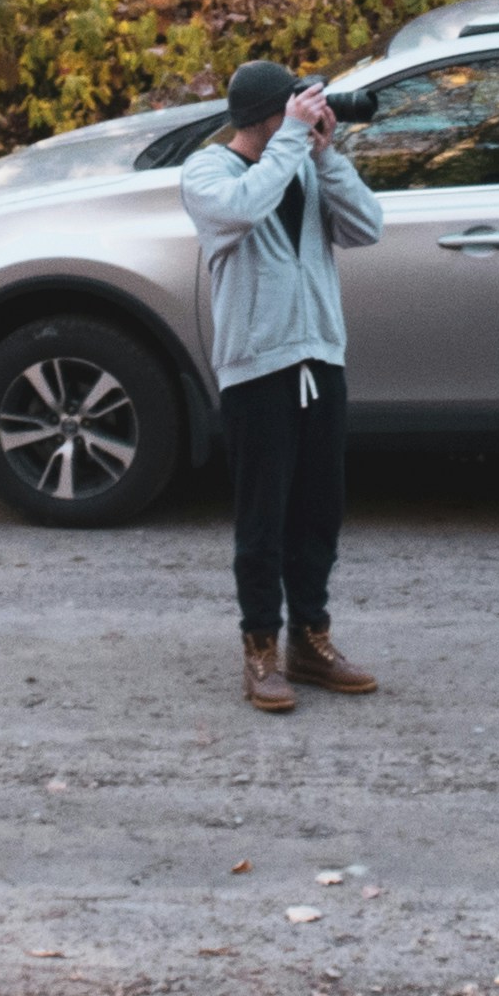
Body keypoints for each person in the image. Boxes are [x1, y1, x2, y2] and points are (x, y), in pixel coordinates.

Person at [182, 56, 388, 712]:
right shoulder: (207, 170)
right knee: (262, 520)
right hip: (257, 366)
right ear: (267, 116)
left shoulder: (301, 160)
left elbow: (366, 227)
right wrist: (294, 142)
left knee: (317, 513)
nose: (307, 115)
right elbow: (240, 211)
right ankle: (260, 647)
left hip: (319, 357)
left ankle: (310, 638)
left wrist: (326, 156)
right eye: (296, 108)